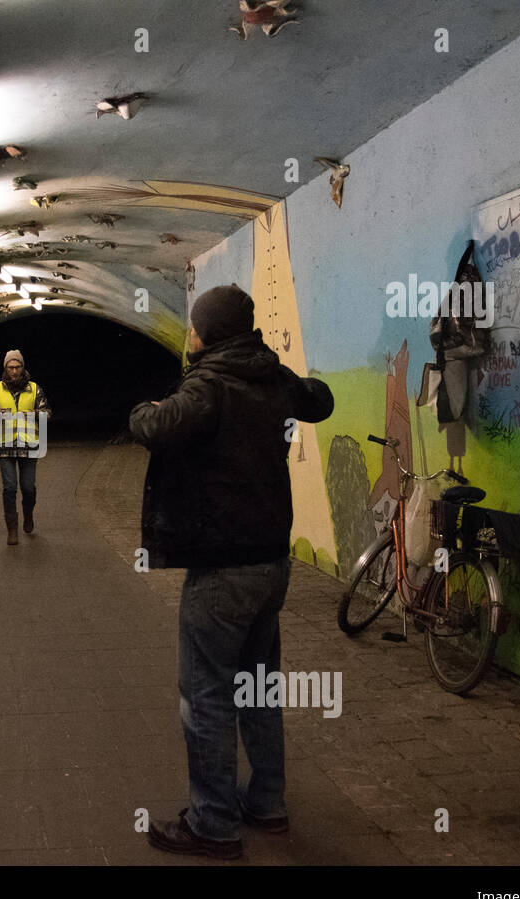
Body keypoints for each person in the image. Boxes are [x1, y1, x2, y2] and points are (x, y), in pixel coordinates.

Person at [128, 284, 333, 860]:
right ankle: (266, 800)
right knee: (258, 686)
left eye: (194, 326)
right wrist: (291, 381)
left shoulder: (209, 384)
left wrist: (140, 409)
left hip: (223, 568)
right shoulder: (268, 376)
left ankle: (214, 822)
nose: (188, 334)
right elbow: (320, 401)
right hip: (272, 562)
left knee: (207, 693)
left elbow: (154, 427)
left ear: (209, 333)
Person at [0, 350, 51, 545]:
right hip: (5, 447)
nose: (14, 371)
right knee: (10, 487)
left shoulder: (35, 389)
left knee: (28, 488)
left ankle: (28, 514)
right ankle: (12, 528)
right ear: (5, 368)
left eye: (17, 367)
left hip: (29, 446)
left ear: (22, 367)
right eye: (10, 367)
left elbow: (47, 412)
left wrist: (35, 414)